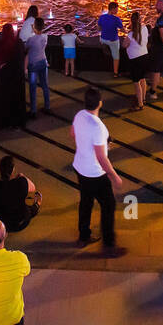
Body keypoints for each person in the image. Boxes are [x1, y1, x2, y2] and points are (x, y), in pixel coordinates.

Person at [71, 88, 123, 253]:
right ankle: (108, 242)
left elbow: (72, 133)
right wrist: (114, 176)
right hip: (95, 172)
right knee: (108, 204)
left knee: (86, 202)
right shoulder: (99, 127)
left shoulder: (79, 115)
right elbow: (101, 157)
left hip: (80, 167)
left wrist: (85, 143)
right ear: (100, 103)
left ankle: (83, 236)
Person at [0, 155, 39, 232]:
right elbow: (33, 188)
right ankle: (36, 206)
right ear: (13, 169)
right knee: (29, 207)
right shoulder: (21, 182)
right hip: (17, 224)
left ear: (0, 170)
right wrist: (23, 177)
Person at [123, 10, 151, 110]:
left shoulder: (131, 34)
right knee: (143, 79)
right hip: (144, 56)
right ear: (140, 20)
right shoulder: (144, 28)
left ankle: (139, 104)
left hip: (135, 59)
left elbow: (124, 45)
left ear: (131, 21)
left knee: (136, 82)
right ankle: (143, 98)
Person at [24, 20, 50, 116]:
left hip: (33, 64)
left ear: (34, 27)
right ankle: (47, 106)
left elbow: (26, 48)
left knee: (33, 87)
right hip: (43, 62)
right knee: (45, 85)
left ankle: (33, 110)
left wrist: (32, 31)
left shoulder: (31, 39)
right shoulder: (45, 37)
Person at [97, 1, 124, 76]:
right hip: (113, 41)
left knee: (103, 41)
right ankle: (115, 72)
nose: (117, 11)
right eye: (117, 9)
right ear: (112, 9)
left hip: (103, 39)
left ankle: (105, 49)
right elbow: (122, 30)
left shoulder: (102, 17)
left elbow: (99, 29)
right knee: (116, 57)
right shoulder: (116, 19)